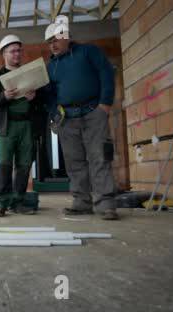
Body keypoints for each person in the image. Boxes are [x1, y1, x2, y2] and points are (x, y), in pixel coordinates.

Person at [44, 16, 119, 220]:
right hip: (67, 119)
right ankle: (81, 202)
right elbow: (50, 95)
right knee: (74, 162)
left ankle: (105, 204)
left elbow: (106, 73)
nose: (53, 44)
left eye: (56, 39)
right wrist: (54, 115)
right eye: (49, 42)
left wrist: (105, 104)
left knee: (99, 157)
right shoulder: (51, 67)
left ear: (67, 37)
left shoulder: (88, 51)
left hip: (94, 113)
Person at [0, 34, 46, 217]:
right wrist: (4, 96)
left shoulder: (30, 73)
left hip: (27, 125)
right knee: (2, 165)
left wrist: (35, 97)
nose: (17, 54)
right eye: (12, 51)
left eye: (19, 50)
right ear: (4, 53)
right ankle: (0, 203)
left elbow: (42, 97)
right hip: (6, 127)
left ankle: (17, 201)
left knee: (24, 165)